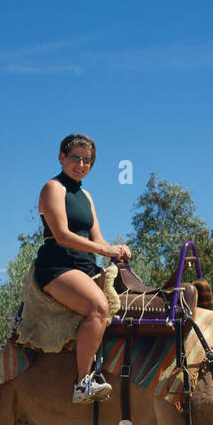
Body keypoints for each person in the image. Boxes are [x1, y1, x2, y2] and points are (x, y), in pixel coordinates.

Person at [33, 134, 131, 404]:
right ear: (62, 158)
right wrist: (104, 251)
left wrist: (116, 249)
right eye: (75, 157)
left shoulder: (85, 195)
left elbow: (97, 238)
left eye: (87, 160)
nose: (81, 164)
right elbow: (62, 235)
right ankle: (83, 383)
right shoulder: (53, 188)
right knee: (98, 306)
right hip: (58, 266)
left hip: (85, 266)